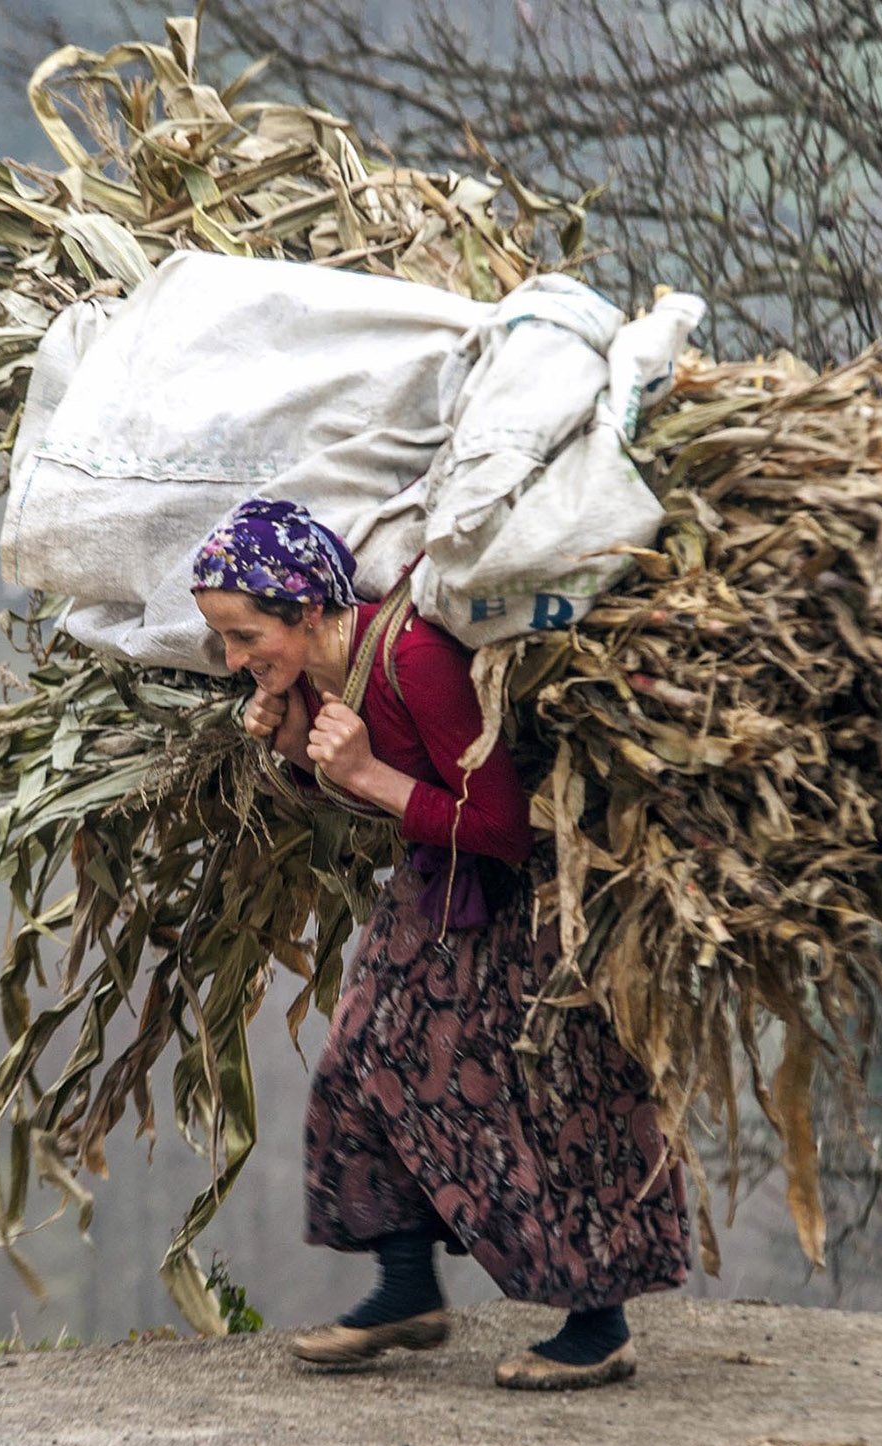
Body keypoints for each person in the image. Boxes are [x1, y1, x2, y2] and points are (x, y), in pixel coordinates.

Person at [190, 497, 692, 1391]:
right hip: (439, 882)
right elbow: (367, 806)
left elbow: (500, 823)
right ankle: (408, 1288)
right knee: (363, 1055)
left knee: (552, 1088)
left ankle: (599, 1324)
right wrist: (303, 754)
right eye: (224, 642)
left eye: (242, 634)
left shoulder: (413, 656)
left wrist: (361, 771)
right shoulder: (315, 676)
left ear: (306, 609)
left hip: (530, 894)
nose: (234, 661)